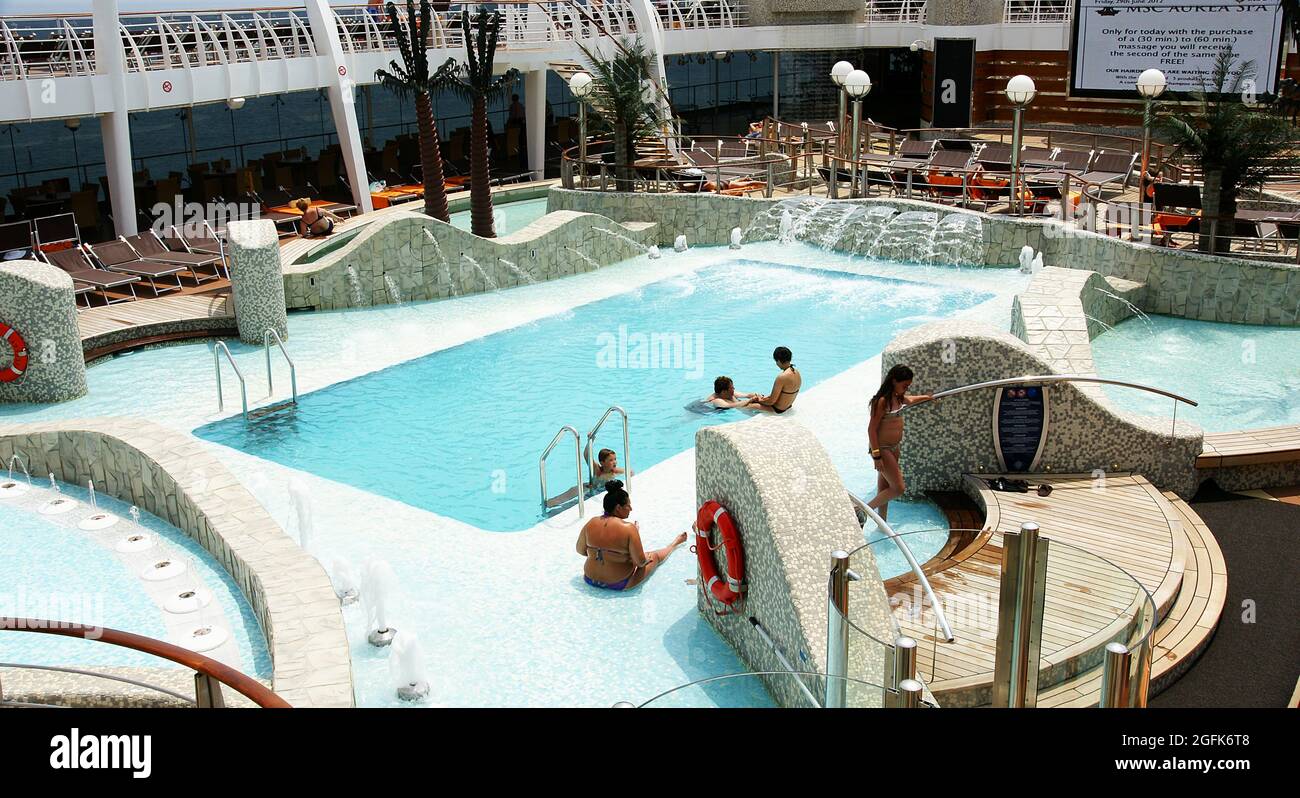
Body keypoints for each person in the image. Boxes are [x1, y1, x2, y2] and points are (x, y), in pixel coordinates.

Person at [575, 480, 688, 591]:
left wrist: (604, 555)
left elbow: (580, 550)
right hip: (619, 583)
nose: (631, 509)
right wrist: (633, 540)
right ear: (618, 508)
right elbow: (640, 562)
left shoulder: (591, 523)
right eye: (628, 505)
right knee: (654, 557)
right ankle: (674, 544)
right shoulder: (628, 528)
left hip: (590, 578)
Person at [866, 364, 933, 521]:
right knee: (898, 488)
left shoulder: (899, 397)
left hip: (895, 448)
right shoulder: (881, 401)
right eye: (905, 385)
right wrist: (877, 456)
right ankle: (861, 510)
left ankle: (882, 523)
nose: (907, 389)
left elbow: (910, 399)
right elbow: (871, 430)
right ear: (894, 381)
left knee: (884, 488)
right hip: (882, 450)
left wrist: (927, 397)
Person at [748, 346, 801, 414]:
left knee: (747, 406)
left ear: (778, 361)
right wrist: (763, 399)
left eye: (776, 361)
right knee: (757, 398)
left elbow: (771, 402)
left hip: (777, 409)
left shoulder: (782, 377)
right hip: (787, 406)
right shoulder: (796, 372)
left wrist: (759, 401)